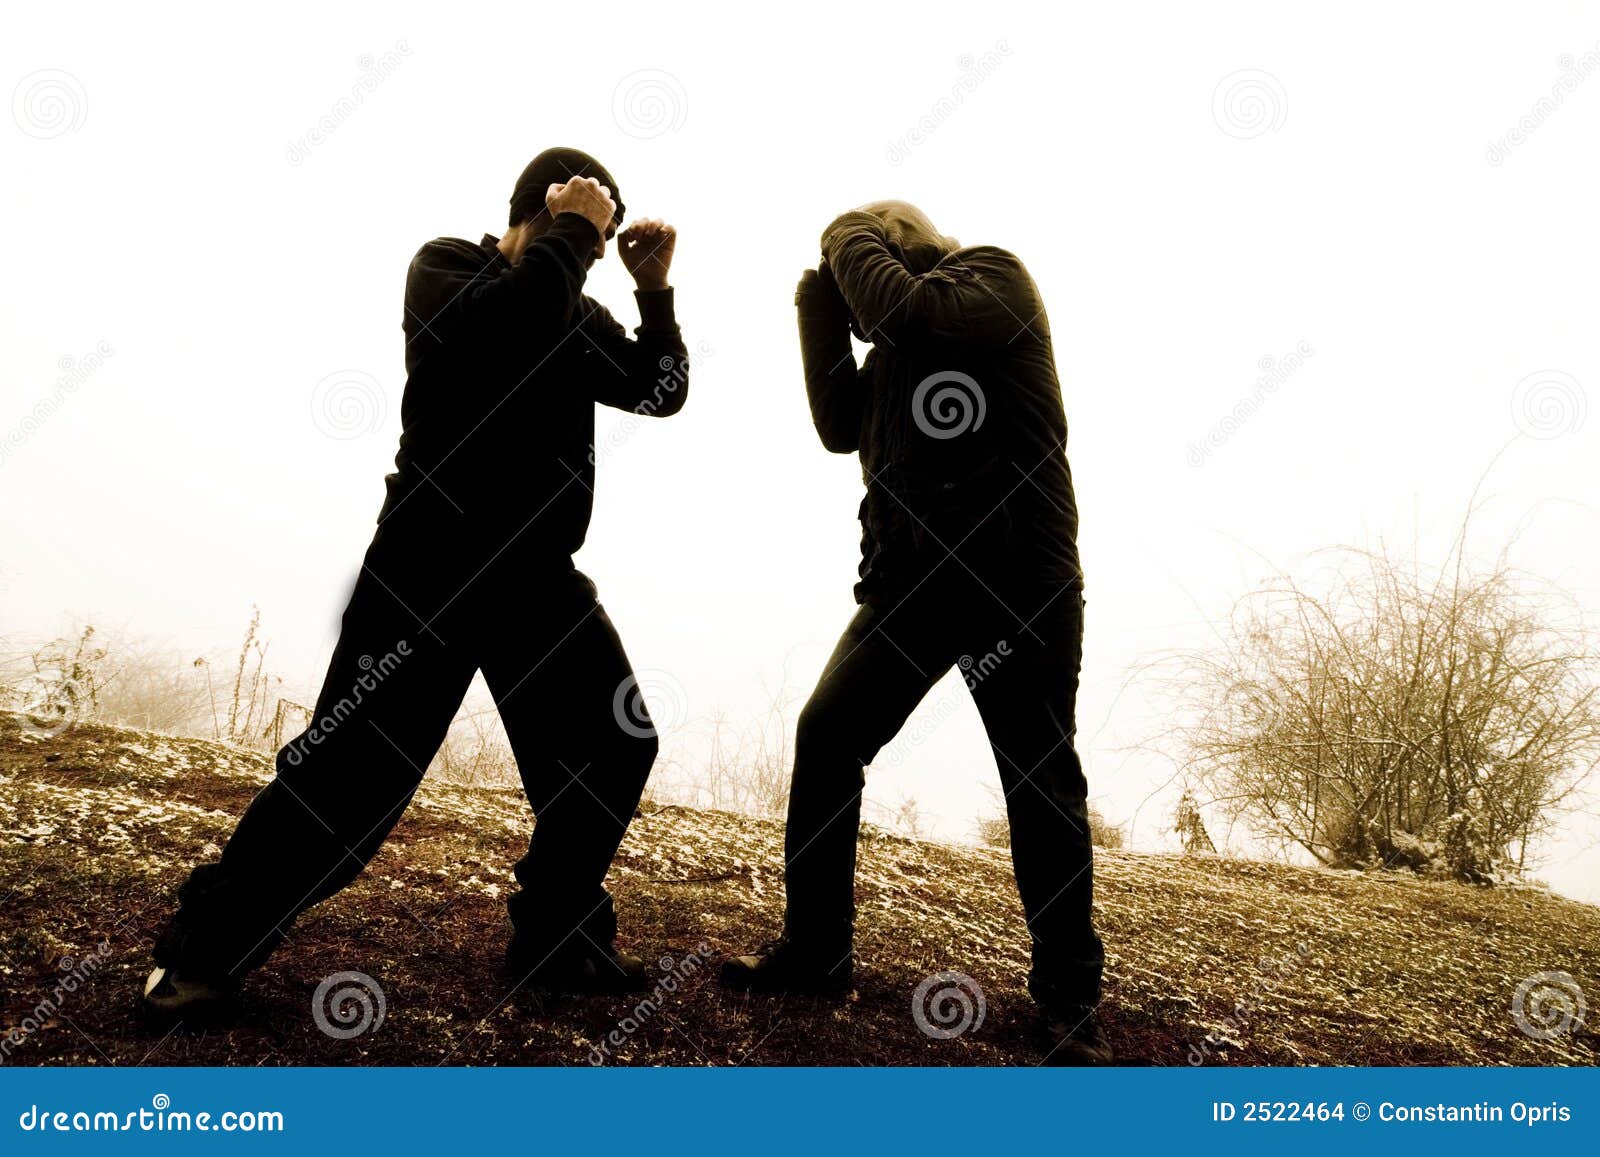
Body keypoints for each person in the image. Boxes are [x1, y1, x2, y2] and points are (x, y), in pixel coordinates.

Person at [143, 147, 688, 1020]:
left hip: (535, 577)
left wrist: (654, 294)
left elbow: (660, 391)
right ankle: (204, 950)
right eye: (582, 235)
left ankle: (556, 932)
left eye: (595, 241)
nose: (589, 254)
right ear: (538, 218)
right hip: (428, 565)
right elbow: (507, 329)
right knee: (348, 781)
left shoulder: (571, 310)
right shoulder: (448, 270)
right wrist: (571, 232)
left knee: (615, 741)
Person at [720, 201, 1110, 1065]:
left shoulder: (989, 278)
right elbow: (835, 423)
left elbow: (900, 307)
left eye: (860, 268)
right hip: (915, 589)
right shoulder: (895, 353)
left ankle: (1070, 999)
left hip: (1018, 586)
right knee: (827, 734)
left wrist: (838, 230)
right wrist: (815, 303)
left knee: (1038, 776)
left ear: (894, 243)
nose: (862, 309)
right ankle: (817, 952)